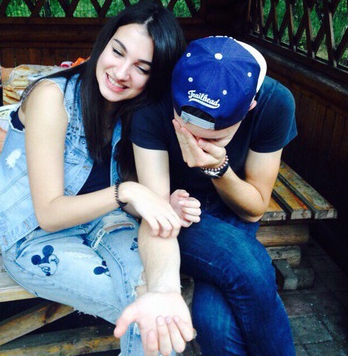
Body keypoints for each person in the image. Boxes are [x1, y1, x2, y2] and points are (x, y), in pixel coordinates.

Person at [0, 0, 196, 356]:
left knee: (157, 308)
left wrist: (159, 204)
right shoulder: (52, 97)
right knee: (148, 318)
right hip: (34, 236)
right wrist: (128, 191)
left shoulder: (138, 110)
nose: (121, 72)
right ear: (103, 43)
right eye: (118, 52)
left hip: (108, 223)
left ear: (155, 77)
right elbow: (49, 215)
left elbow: (133, 204)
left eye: (141, 68)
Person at [126, 36, 298, 355]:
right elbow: (157, 211)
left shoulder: (275, 102)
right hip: (177, 212)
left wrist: (216, 167)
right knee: (248, 265)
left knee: (213, 322)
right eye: (186, 132)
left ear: (250, 107)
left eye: (213, 139)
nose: (195, 145)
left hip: (233, 207)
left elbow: (254, 208)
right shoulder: (153, 103)